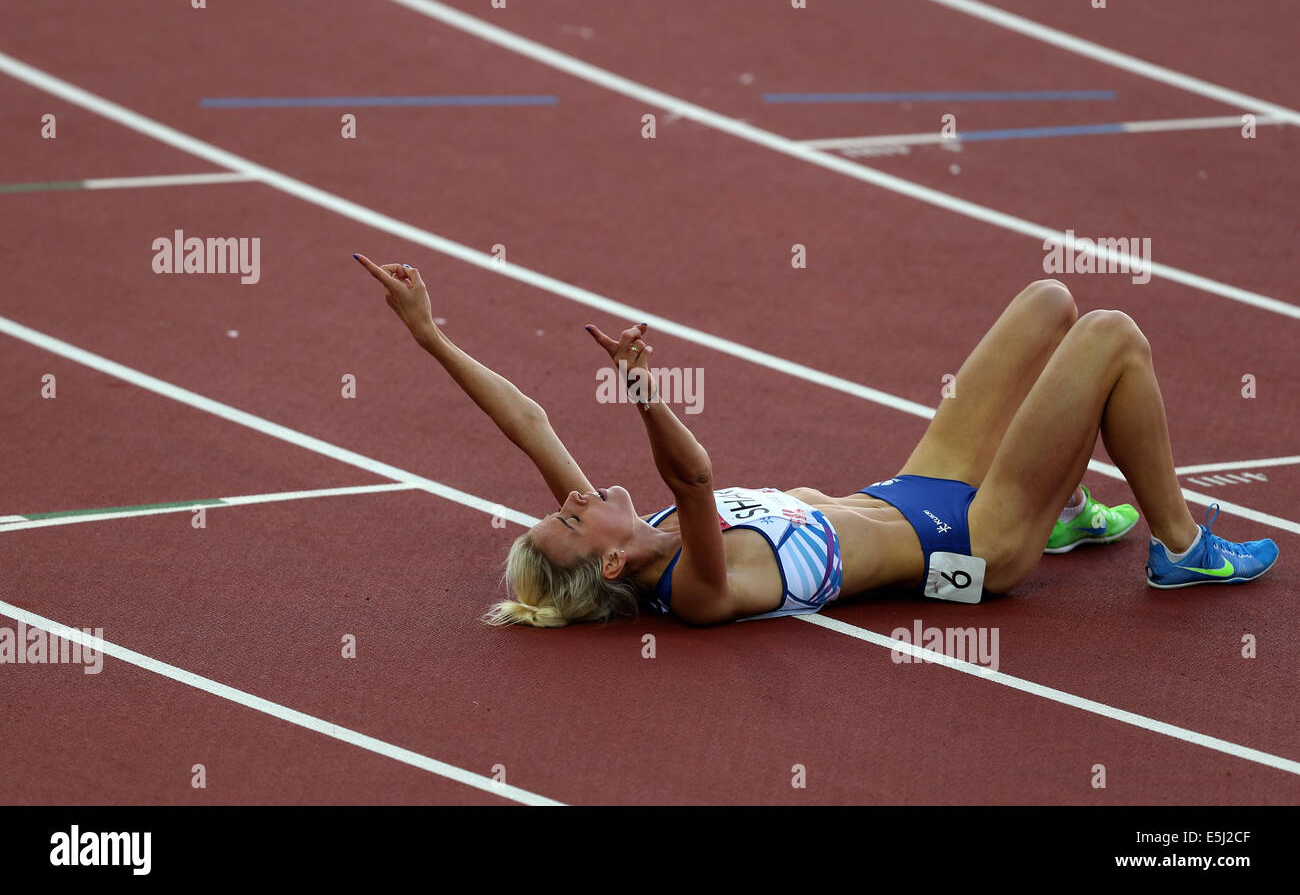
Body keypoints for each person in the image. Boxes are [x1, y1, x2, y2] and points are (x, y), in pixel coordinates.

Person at [353, 254, 1279, 627]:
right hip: (973, 545)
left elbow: (532, 424)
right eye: (569, 519)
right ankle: (1183, 548)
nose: (570, 497)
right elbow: (699, 470)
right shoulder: (698, 584)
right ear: (608, 568)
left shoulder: (646, 534)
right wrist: (641, 394)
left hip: (910, 489)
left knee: (1051, 304)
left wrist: (429, 335)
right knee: (1111, 334)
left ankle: (1069, 508)